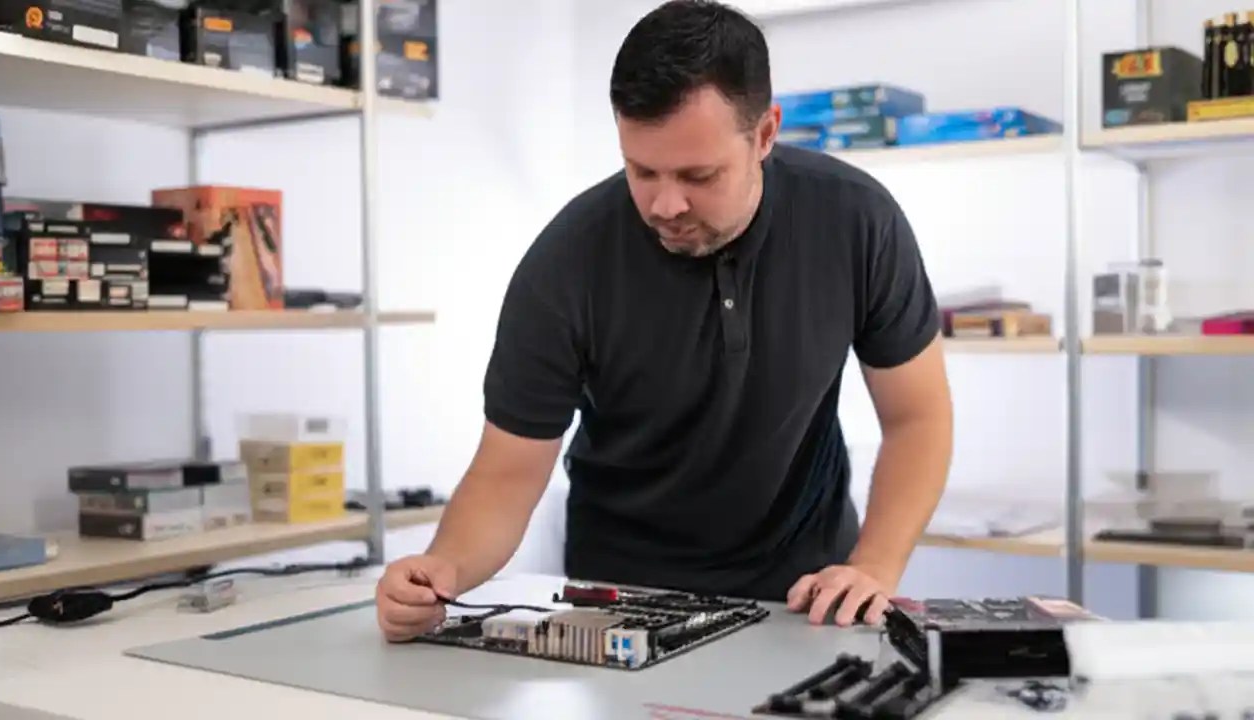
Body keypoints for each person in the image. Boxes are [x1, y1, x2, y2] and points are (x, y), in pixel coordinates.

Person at [375, 0, 952, 642]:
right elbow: (508, 472)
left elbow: (918, 418)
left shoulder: (856, 220)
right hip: (624, 604)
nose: (665, 204)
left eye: (698, 175)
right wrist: (442, 569)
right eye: (641, 170)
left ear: (764, 135)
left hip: (806, 598)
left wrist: (874, 566)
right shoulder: (568, 259)